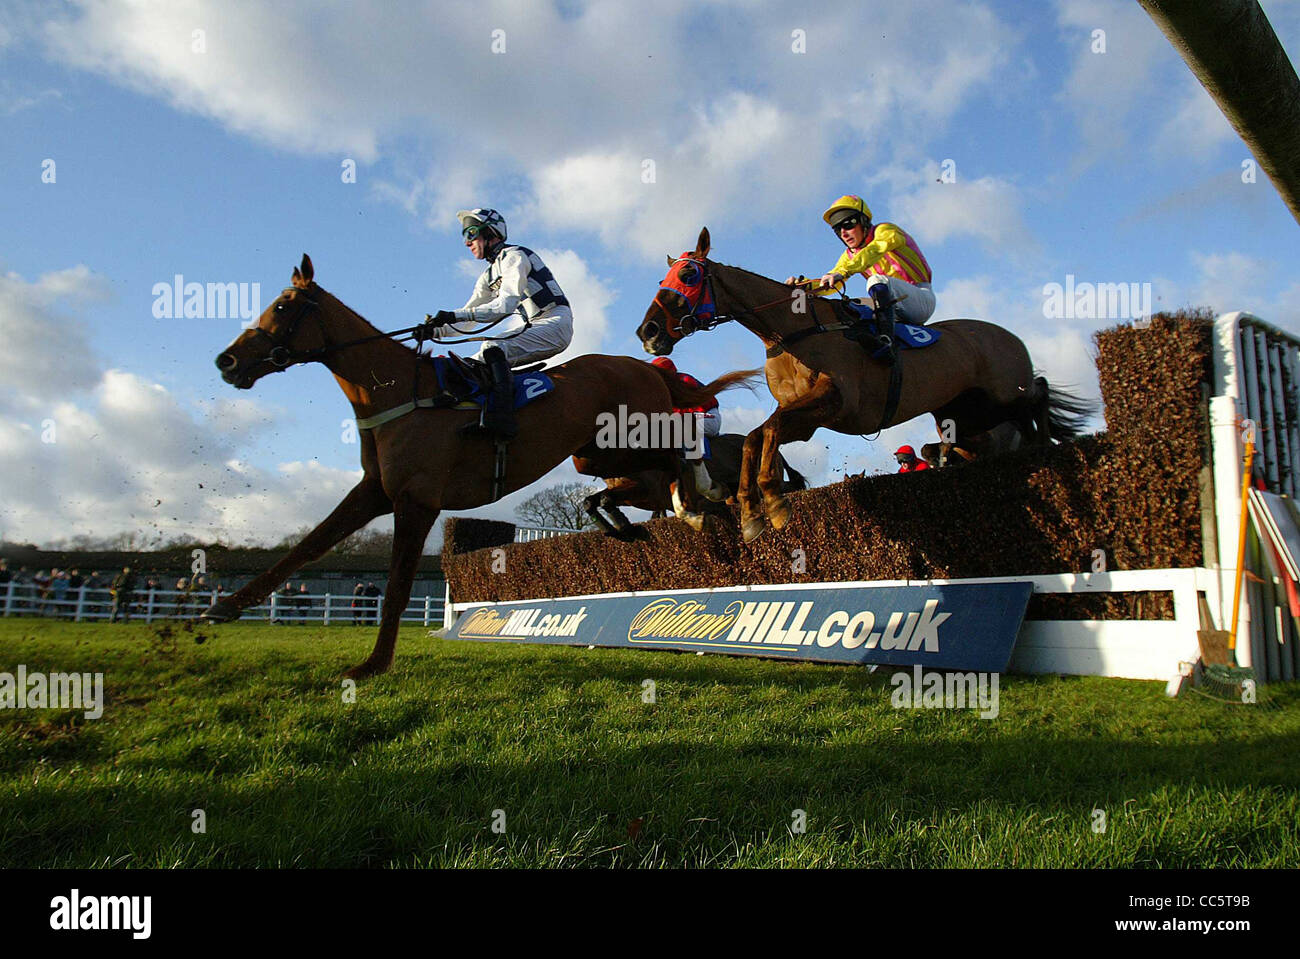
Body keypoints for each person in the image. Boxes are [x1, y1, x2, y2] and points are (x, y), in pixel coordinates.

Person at [418, 208, 573, 438]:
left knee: (493, 348)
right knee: (470, 364)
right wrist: (434, 331)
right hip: (535, 325)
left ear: (491, 233)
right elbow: (468, 317)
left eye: (471, 233)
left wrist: (453, 315)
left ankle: (501, 420)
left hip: (555, 321)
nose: (466, 242)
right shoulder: (488, 276)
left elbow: (505, 305)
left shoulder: (514, 256)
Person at [785, 194, 935, 350]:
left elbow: (873, 251)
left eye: (848, 224)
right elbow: (831, 282)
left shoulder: (886, 231)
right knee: (852, 307)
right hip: (894, 307)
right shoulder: (849, 255)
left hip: (920, 298)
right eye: (837, 229)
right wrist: (805, 286)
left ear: (864, 221)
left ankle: (886, 341)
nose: (843, 233)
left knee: (876, 280)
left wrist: (843, 272)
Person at [650, 357, 726, 501]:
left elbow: (682, 412)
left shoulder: (685, 381)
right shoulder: (665, 388)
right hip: (691, 418)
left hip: (708, 416)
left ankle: (703, 464)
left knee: (683, 428)